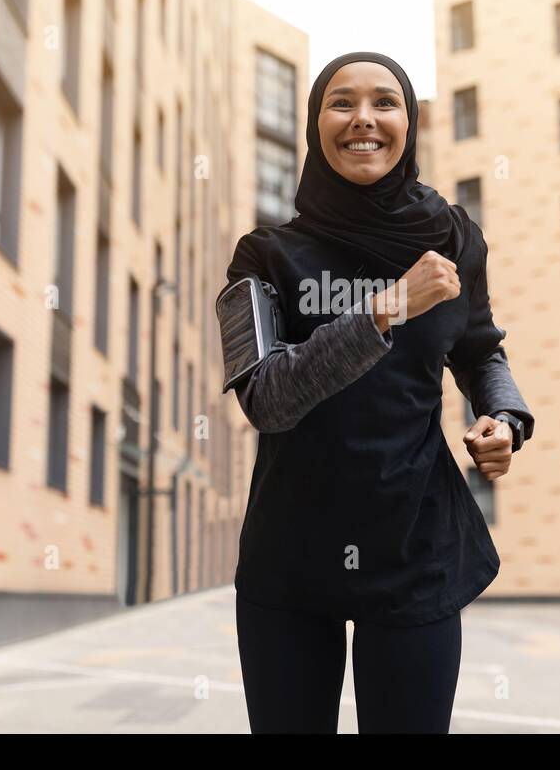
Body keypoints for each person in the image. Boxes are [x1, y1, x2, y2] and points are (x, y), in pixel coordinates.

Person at [215, 51, 535, 733]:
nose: (364, 119)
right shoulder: (265, 255)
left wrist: (503, 415)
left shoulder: (454, 241)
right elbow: (266, 398)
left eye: (385, 102)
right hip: (290, 555)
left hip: (415, 547)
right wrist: (385, 308)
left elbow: (480, 350)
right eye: (342, 102)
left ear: (409, 124)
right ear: (315, 124)